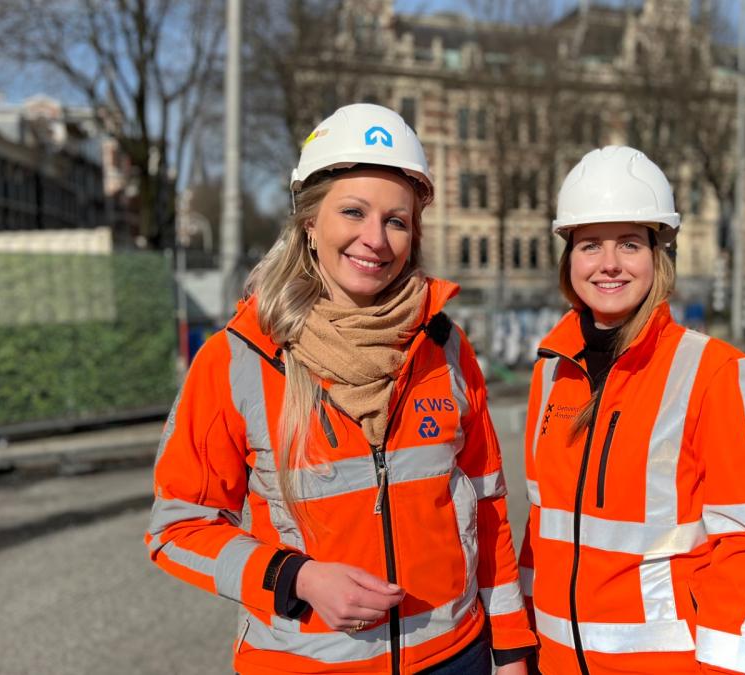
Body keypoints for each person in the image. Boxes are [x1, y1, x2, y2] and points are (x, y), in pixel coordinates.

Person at [146, 103, 534, 674]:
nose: (375, 239)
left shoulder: (444, 346)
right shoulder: (239, 358)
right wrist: (294, 577)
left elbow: (488, 504)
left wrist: (510, 647)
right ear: (310, 222)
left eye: (396, 220)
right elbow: (176, 530)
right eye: (353, 212)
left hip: (457, 657)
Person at [518, 146, 745, 674]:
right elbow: (541, 529)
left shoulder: (714, 371)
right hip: (555, 662)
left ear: (658, 256)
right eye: (590, 245)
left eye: (629, 244)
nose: (609, 263)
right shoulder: (551, 370)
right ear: (569, 259)